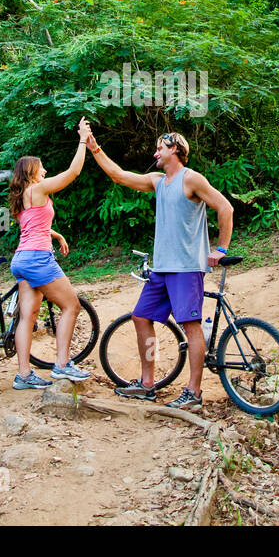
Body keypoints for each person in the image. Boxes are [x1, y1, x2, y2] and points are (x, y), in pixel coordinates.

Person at [85, 129, 233, 412]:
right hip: (162, 268)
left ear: (175, 148)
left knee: (190, 326)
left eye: (159, 148)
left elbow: (225, 208)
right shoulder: (158, 182)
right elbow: (119, 175)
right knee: (141, 317)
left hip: (186, 268)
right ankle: (148, 383)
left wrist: (221, 249)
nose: (155, 153)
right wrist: (95, 148)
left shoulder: (191, 179)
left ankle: (193, 392)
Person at [6, 117, 94, 389]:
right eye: (41, 167)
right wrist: (82, 140)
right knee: (71, 305)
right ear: (32, 171)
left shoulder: (22, 196)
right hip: (38, 259)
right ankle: (62, 364)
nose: (45, 170)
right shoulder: (39, 188)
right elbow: (73, 173)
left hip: (21, 260)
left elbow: (32, 225)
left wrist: (56, 234)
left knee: (28, 317)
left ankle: (23, 375)